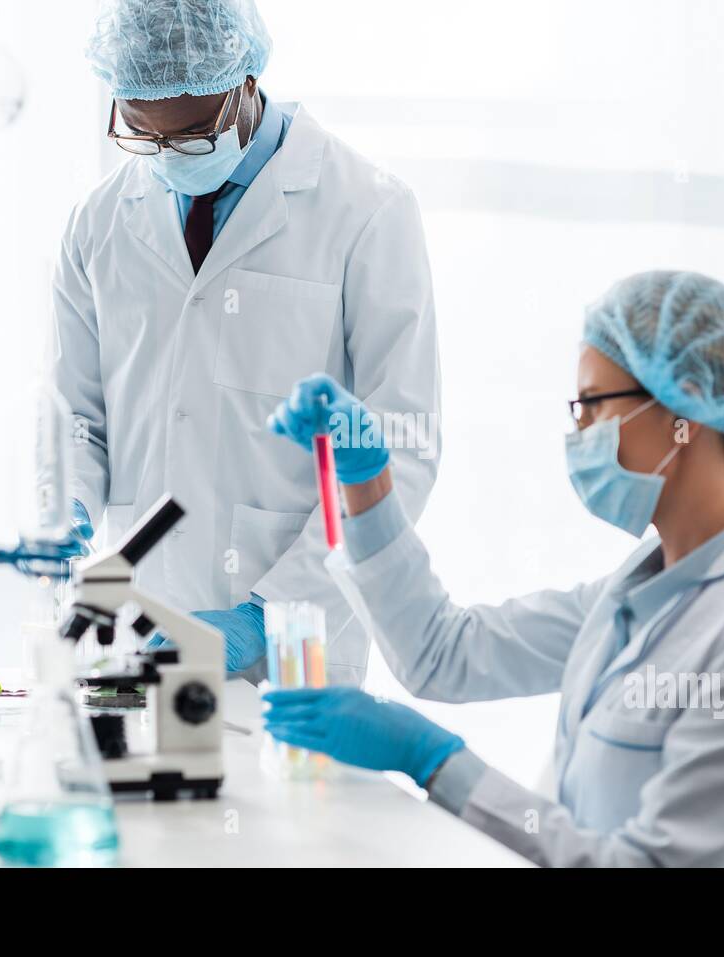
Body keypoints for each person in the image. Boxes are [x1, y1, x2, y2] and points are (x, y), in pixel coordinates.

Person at [263, 271, 724, 867]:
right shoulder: (638, 591)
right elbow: (444, 654)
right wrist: (366, 480)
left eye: (592, 405)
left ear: (686, 404)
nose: (578, 434)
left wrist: (435, 760)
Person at [53, 0, 440, 683]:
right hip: (139, 624)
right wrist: (68, 511)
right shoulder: (98, 222)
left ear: (246, 84)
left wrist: (274, 609)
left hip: (297, 641)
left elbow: (398, 446)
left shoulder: (367, 211)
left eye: (193, 136)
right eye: (145, 135)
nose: (168, 157)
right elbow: (74, 417)